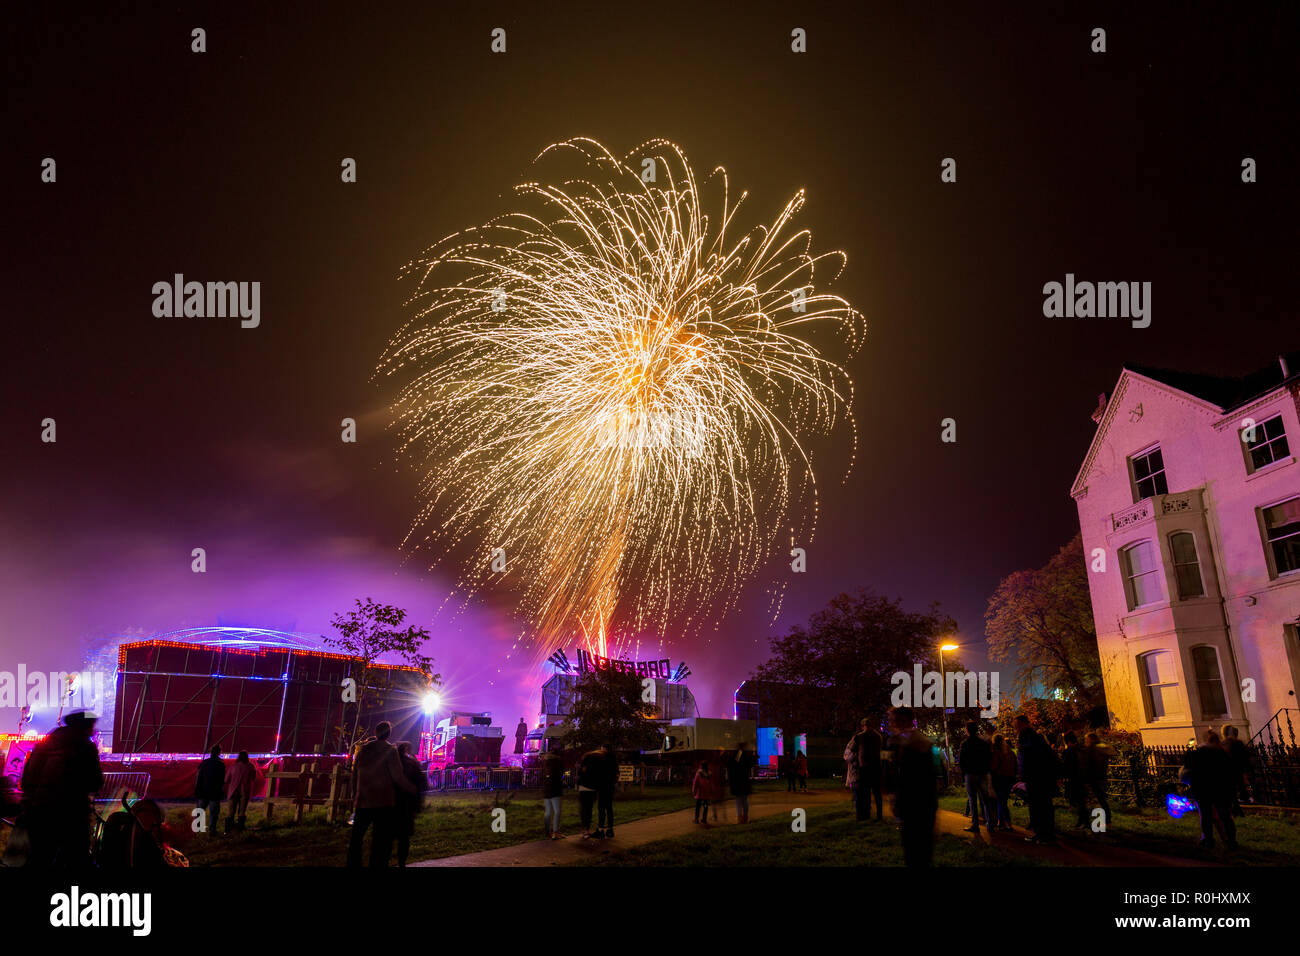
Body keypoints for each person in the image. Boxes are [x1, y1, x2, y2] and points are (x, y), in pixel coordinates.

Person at [20, 709, 104, 868]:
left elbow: (27, 780)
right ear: (86, 726)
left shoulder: (44, 745)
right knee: (77, 858)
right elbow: (95, 781)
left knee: (40, 857)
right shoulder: (85, 746)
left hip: (40, 811)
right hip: (72, 813)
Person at [347, 721, 415, 867]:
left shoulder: (363, 750)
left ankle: (353, 863)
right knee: (380, 839)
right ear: (389, 733)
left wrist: (354, 795)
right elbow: (397, 776)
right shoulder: (390, 750)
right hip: (382, 802)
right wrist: (410, 788)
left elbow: (355, 774)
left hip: (363, 801)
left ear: (375, 733)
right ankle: (377, 864)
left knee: (357, 838)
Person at [891, 707, 937, 867]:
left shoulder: (915, 744)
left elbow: (910, 778)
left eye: (894, 720)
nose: (892, 724)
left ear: (904, 721)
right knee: (917, 851)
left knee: (915, 851)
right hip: (920, 805)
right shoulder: (915, 741)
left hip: (916, 805)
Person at [1182, 730, 1238, 849]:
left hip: (1201, 788)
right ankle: (1231, 841)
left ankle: (1208, 840)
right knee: (1225, 816)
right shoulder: (1221, 754)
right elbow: (1229, 773)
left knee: (1205, 815)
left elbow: (1187, 771)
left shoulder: (1196, 753)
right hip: (1219, 788)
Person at [1015, 714, 1059, 845]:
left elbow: (1030, 758)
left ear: (1023, 724)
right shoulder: (1034, 737)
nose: (1015, 728)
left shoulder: (1029, 738)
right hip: (1038, 778)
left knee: (1039, 807)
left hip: (1037, 778)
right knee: (1041, 807)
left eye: (1016, 725)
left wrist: (1025, 774)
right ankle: (1043, 834)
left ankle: (1044, 835)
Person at [958, 722, 995, 834]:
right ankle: (990, 824)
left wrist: (964, 773)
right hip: (982, 773)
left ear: (967, 730)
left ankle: (975, 825)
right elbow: (989, 758)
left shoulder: (965, 744)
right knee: (985, 799)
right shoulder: (983, 744)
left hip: (970, 774)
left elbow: (962, 761)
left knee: (972, 800)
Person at [394, 741, 427, 866]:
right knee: (404, 838)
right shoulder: (413, 764)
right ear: (407, 749)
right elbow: (422, 784)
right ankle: (402, 862)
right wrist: (418, 804)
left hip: (391, 804)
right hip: (407, 806)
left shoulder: (391, 763)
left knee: (386, 838)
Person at [848, 718, 883, 822]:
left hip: (864, 768)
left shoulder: (859, 736)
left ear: (862, 726)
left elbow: (852, 749)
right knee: (877, 793)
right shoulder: (878, 736)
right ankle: (879, 815)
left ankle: (864, 815)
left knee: (864, 792)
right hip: (876, 767)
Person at [1082, 733, 1112, 829]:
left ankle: (1099, 824)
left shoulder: (1092, 749)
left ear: (1091, 739)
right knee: (1101, 800)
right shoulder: (1102, 747)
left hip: (1094, 777)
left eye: (1086, 740)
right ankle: (1105, 822)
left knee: (1096, 800)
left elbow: (1088, 764)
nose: (1085, 742)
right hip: (1101, 776)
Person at [224, 751, 257, 834]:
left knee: (231, 811)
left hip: (233, 791)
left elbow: (226, 779)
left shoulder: (233, 766)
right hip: (244, 791)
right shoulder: (250, 766)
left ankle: (228, 830)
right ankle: (240, 829)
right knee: (242, 811)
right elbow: (253, 778)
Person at [194, 746, 225, 836]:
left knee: (200, 812)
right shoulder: (221, 764)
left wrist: (197, 789)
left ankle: (198, 830)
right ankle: (212, 830)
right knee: (213, 813)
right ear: (219, 753)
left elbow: (198, 776)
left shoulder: (204, 762)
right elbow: (222, 780)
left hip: (202, 791)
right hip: (214, 792)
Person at [1060, 731, 1089, 829]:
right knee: (1081, 802)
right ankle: (1082, 821)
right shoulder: (1082, 749)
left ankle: (1084, 822)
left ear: (1067, 741)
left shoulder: (1069, 751)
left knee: (1078, 802)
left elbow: (1065, 766)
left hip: (1074, 779)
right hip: (1083, 778)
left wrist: (1063, 777)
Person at [1221, 725, 1251, 814]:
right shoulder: (1237, 743)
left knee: (1233, 789)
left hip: (1228, 769)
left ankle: (1237, 805)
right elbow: (1245, 754)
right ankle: (1242, 801)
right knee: (1240, 785)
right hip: (1237, 767)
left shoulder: (1223, 744)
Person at [989, 734, 1017, 831]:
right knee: (1002, 800)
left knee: (1001, 801)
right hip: (1010, 778)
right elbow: (1015, 766)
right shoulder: (1010, 752)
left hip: (1000, 778)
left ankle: (1008, 823)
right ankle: (1000, 822)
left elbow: (994, 766)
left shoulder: (996, 752)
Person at [578, 745, 604, 839]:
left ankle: (584, 829)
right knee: (588, 809)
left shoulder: (585, 765)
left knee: (584, 809)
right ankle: (586, 828)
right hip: (592, 789)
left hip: (584, 788)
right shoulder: (597, 765)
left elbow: (580, 775)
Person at [541, 746, 565, 839]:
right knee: (557, 811)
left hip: (546, 789)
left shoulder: (545, 762)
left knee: (547, 812)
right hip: (556, 789)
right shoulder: (558, 762)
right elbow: (560, 775)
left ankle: (547, 832)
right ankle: (555, 832)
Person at [729, 742, 755, 823]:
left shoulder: (737, 756)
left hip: (738, 782)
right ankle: (744, 816)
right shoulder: (745, 756)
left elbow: (733, 767)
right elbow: (749, 765)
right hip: (744, 781)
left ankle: (740, 817)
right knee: (744, 800)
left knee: (739, 801)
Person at [597, 745, 617, 838]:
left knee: (601, 808)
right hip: (610, 787)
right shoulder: (613, 760)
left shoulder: (602, 759)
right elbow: (616, 773)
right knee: (609, 808)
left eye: (602, 748)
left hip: (603, 786)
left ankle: (601, 829)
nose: (601, 750)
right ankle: (610, 829)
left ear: (605, 749)